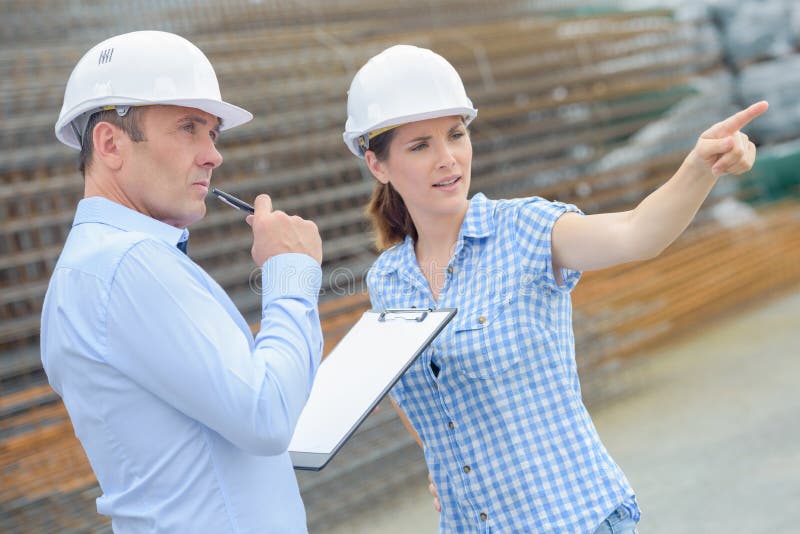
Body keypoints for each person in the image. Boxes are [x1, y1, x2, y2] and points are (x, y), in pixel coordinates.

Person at [343, 44, 767, 533]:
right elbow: (411, 389)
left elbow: (636, 233)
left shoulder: (522, 229)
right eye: (420, 146)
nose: (448, 159)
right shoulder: (388, 280)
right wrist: (449, 462)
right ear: (378, 165)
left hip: (573, 519)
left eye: (456, 135)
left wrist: (699, 166)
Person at [41, 31, 323, 533]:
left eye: (212, 134)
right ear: (110, 144)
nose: (213, 155)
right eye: (188, 128)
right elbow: (267, 413)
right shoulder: (126, 264)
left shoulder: (99, 264)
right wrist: (290, 269)